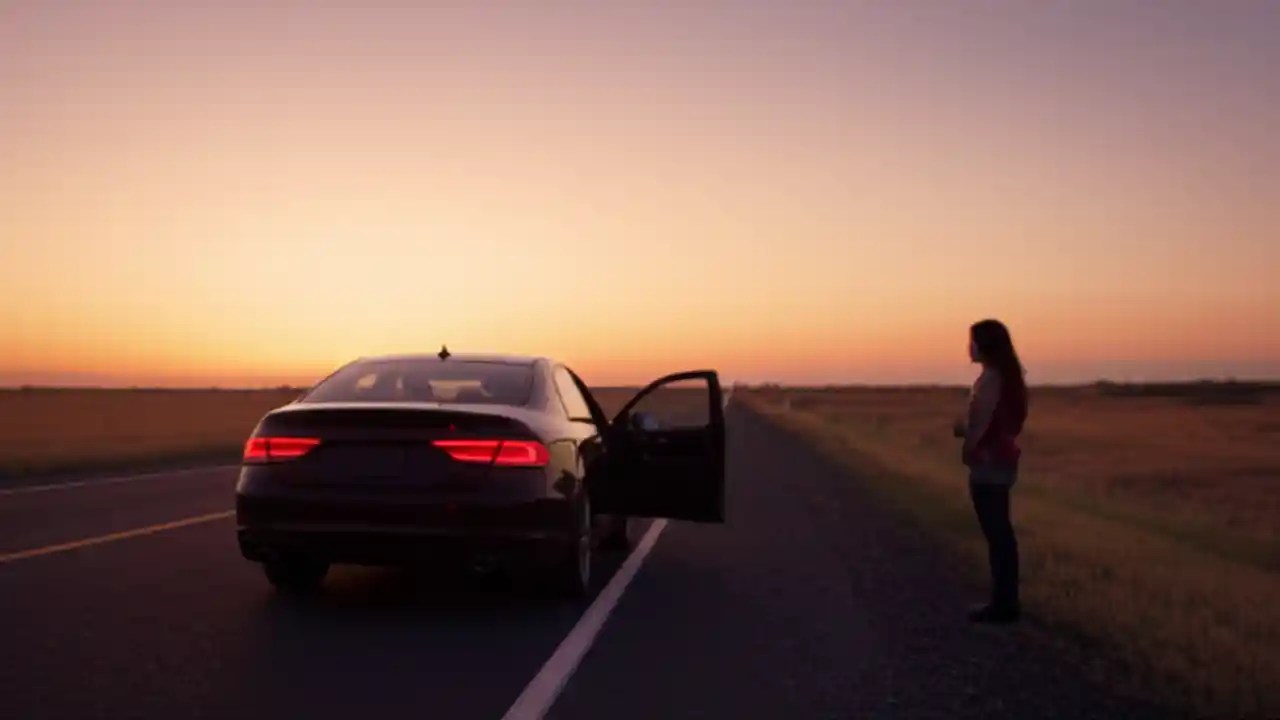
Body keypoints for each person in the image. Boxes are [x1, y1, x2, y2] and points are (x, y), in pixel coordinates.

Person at [954, 319, 1028, 624]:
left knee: (997, 534)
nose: (968, 347)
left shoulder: (990, 380)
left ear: (985, 345)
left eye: (972, 341)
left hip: (989, 463)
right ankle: (1005, 601)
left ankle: (1003, 606)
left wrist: (968, 445)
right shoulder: (1009, 378)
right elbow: (1008, 423)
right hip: (1004, 460)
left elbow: (982, 424)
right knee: (1002, 534)